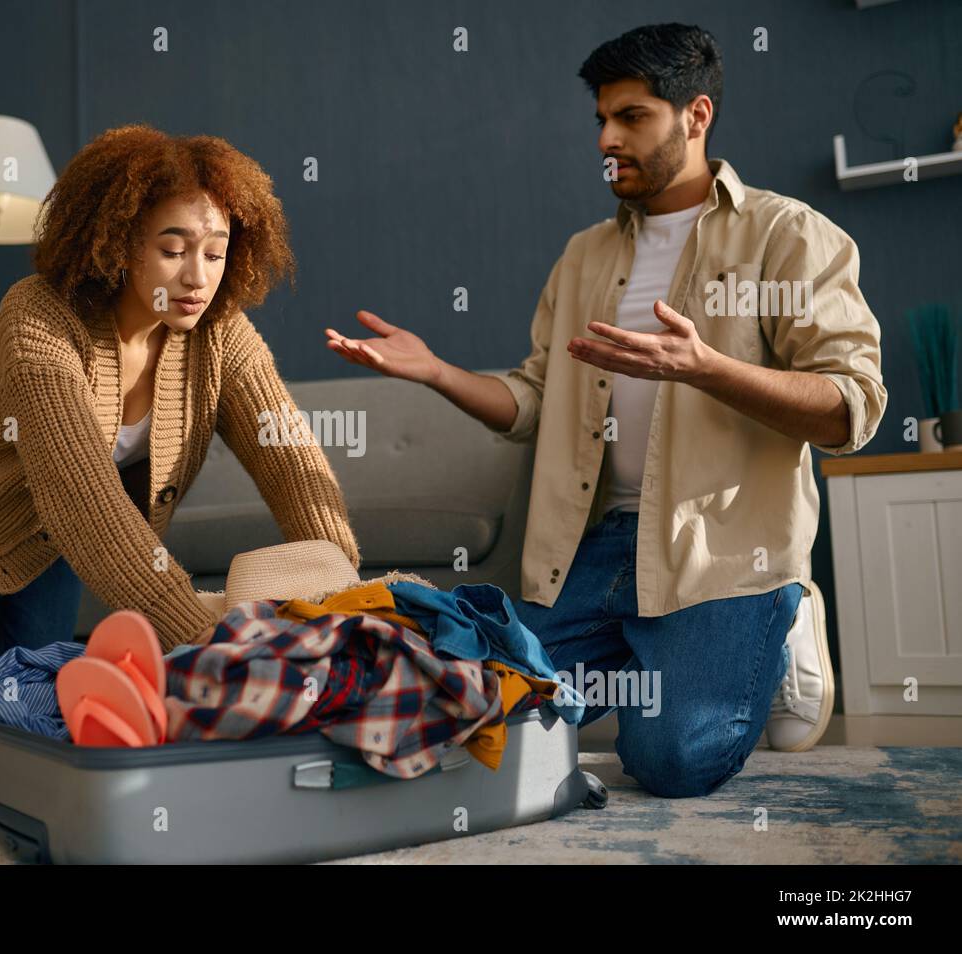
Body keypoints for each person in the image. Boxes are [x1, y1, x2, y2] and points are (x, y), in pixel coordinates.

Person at [325, 23, 886, 797]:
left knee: (670, 760)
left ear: (696, 116)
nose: (606, 139)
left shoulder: (788, 236)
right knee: (479, 714)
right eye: (601, 119)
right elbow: (530, 401)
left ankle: (780, 624)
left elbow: (850, 409)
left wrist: (707, 368)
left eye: (631, 117)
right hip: (589, 552)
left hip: (717, 558)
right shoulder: (584, 255)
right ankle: (645, 647)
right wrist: (439, 373)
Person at [0, 124, 361, 759]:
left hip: (49, 539)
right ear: (123, 242)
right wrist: (203, 636)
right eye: (173, 248)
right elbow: (89, 506)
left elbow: (292, 462)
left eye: (214, 253)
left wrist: (350, 592)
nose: (196, 277)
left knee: (31, 706)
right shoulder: (39, 314)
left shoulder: (221, 336)